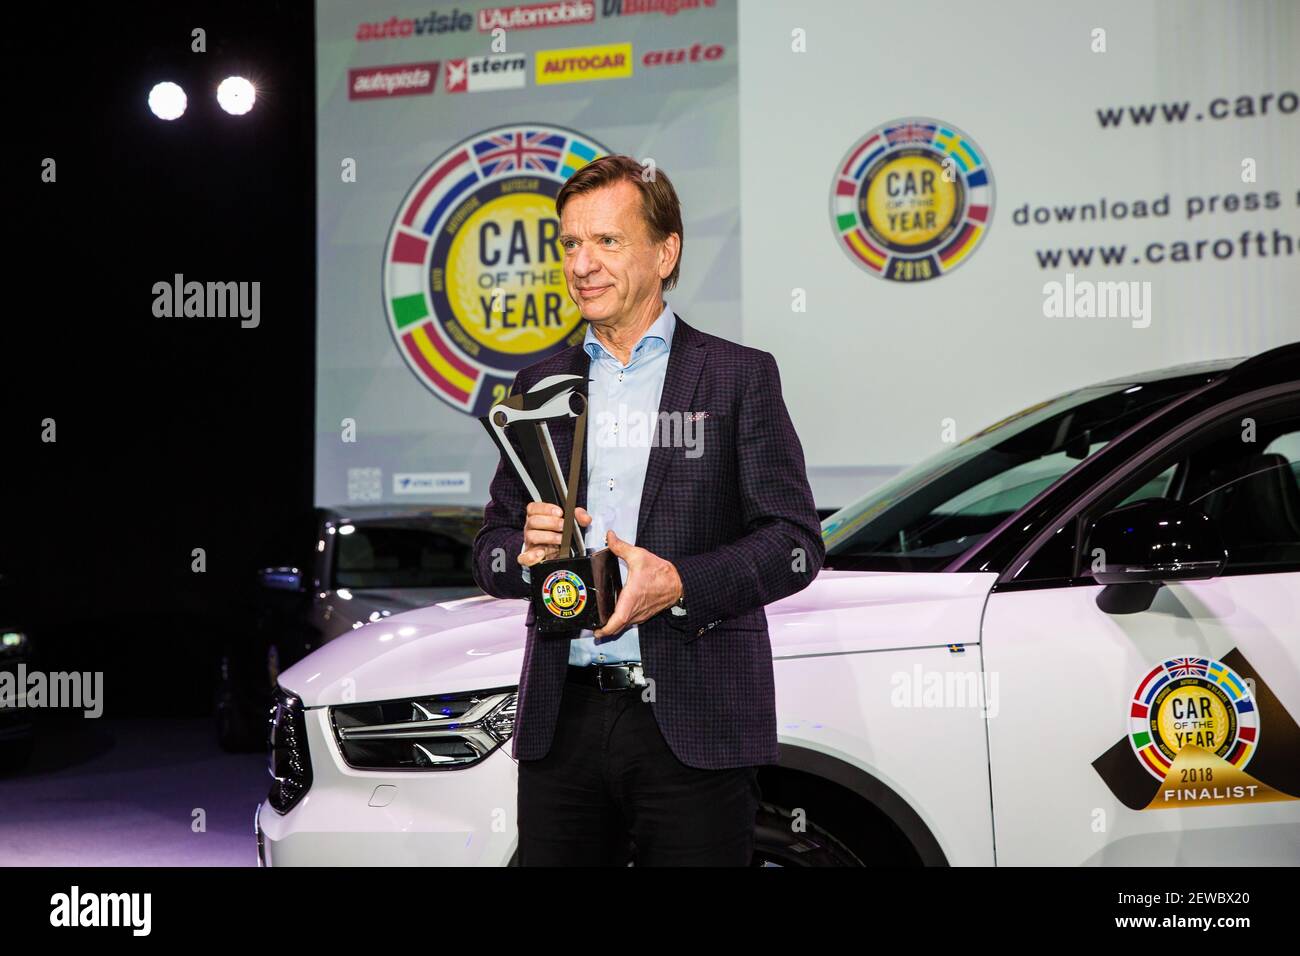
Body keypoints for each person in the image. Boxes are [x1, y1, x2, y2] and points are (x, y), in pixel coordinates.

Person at [471, 154, 824, 866]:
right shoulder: (539, 384)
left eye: (607, 241)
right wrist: (523, 553)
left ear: (666, 253)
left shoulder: (736, 376)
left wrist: (681, 583)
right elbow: (491, 548)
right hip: (561, 718)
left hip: (691, 721)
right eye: (569, 244)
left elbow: (794, 541)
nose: (582, 264)